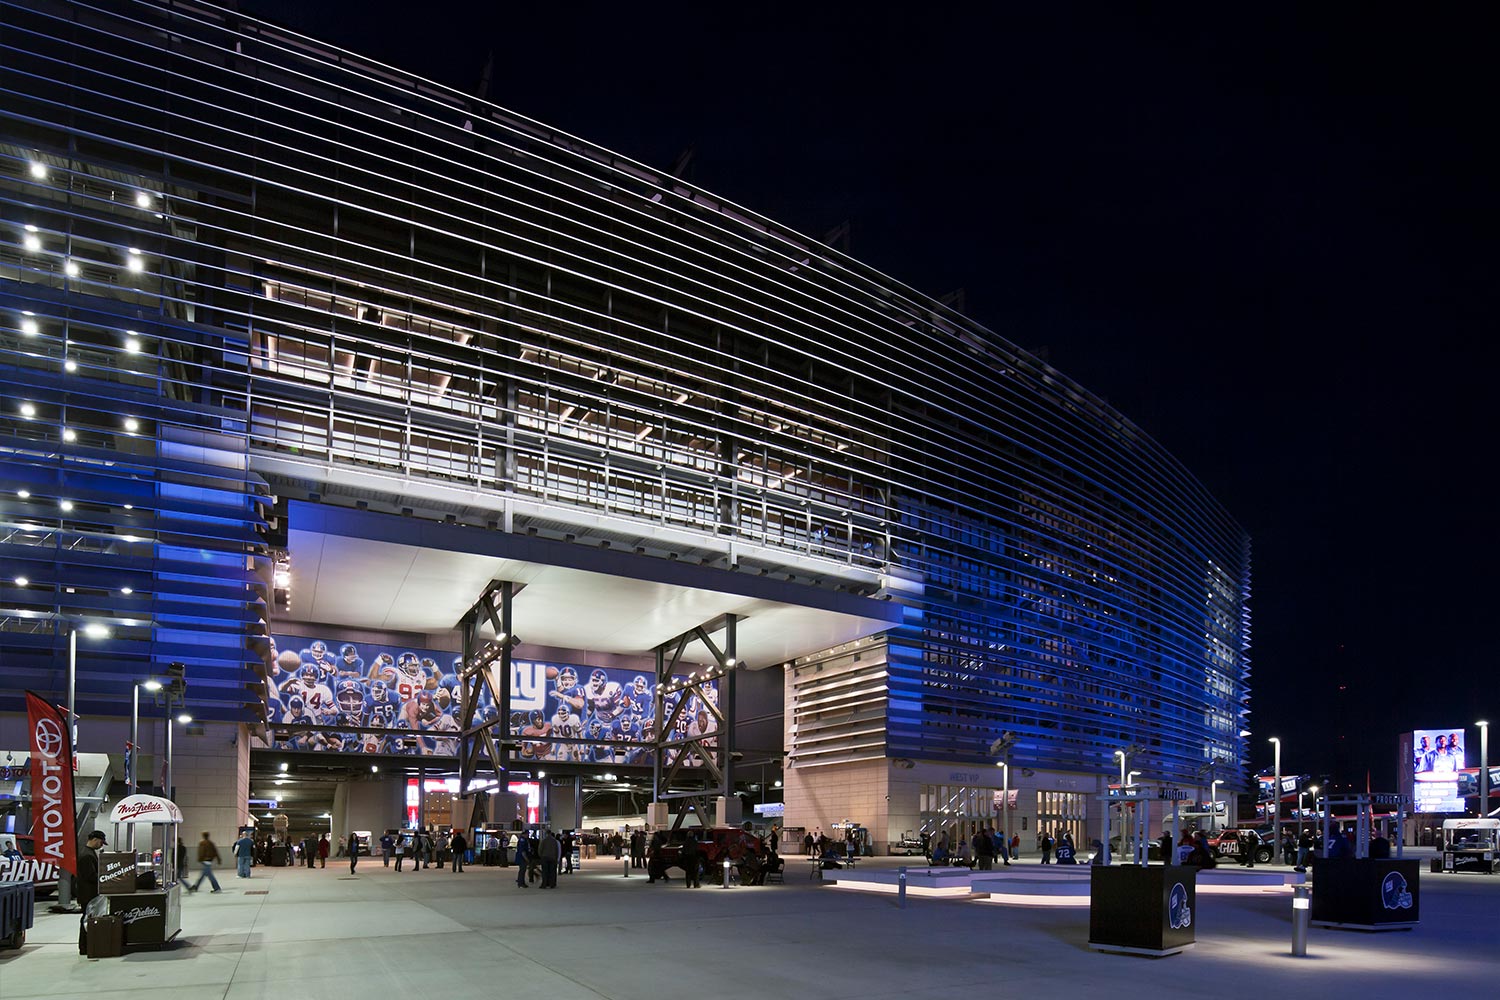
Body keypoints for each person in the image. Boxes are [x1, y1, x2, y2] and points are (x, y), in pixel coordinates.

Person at [76, 830, 106, 955]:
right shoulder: (87, 855)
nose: (101, 845)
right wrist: (104, 877)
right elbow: (90, 876)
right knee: (87, 919)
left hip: (87, 893)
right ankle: (84, 946)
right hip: (87, 894)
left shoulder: (87, 852)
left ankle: (87, 945)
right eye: (101, 842)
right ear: (94, 839)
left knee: (87, 918)